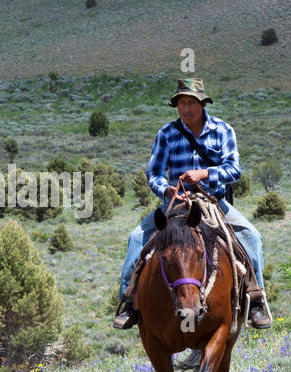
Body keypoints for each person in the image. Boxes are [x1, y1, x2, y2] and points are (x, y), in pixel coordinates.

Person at [113, 76, 271, 330]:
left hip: (213, 202)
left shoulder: (223, 130)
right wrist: (168, 189)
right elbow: (153, 174)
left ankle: (255, 301)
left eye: (192, 102)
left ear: (203, 104)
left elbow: (235, 170)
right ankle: (129, 302)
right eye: (182, 103)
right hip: (177, 204)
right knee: (135, 238)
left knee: (251, 236)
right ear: (176, 105)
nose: (187, 108)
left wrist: (204, 174)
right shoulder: (166, 134)